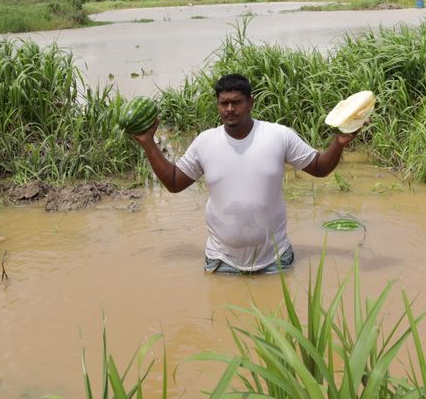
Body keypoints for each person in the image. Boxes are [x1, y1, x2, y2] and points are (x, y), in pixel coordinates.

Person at [131, 73, 360, 274]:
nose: (230, 109)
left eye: (236, 102)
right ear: (218, 105)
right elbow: (173, 182)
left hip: (276, 261)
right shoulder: (205, 142)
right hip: (221, 262)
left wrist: (338, 143)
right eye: (224, 103)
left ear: (251, 102)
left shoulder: (278, 136)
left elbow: (319, 168)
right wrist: (148, 143)